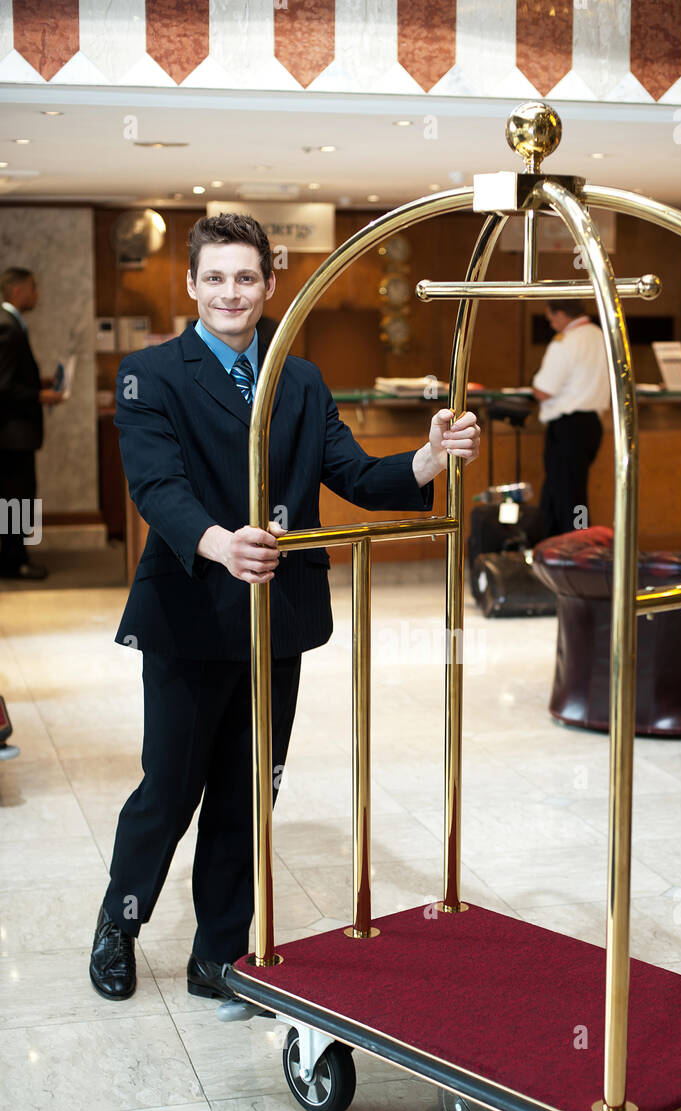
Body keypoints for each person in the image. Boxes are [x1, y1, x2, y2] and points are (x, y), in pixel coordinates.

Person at [90, 212, 480, 1002]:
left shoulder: (298, 378)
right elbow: (156, 488)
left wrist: (429, 455)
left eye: (245, 277)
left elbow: (357, 477)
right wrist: (217, 543)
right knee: (168, 788)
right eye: (215, 278)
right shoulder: (150, 374)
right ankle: (118, 924)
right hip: (192, 613)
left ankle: (217, 953)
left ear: (271, 285)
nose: (230, 292)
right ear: (193, 285)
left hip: (279, 622)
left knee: (249, 788)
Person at [0, 267, 66, 579]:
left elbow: (12, 378)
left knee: (17, 499)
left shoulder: (12, 324)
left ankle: (15, 556)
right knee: (17, 500)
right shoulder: (8, 326)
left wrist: (39, 382)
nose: (36, 294)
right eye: (33, 288)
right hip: (12, 435)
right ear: (17, 291)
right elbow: (4, 387)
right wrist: (40, 395)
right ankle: (15, 561)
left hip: (14, 435)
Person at [532, 300, 610, 539]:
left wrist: (534, 388)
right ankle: (552, 549)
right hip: (592, 426)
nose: (550, 322)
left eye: (551, 317)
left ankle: (575, 552)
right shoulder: (601, 335)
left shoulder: (566, 341)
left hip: (568, 427)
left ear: (563, 314)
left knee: (568, 497)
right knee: (560, 492)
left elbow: (544, 390)